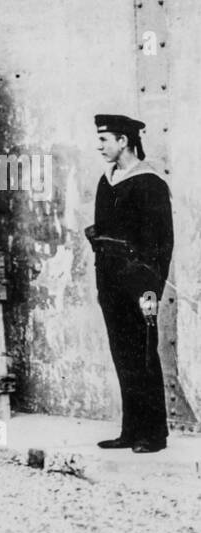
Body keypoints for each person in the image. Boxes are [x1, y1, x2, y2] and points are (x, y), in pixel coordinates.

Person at [87, 113, 173, 453]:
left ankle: (154, 435)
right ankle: (131, 430)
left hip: (142, 287)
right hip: (110, 284)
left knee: (144, 354)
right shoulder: (106, 180)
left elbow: (161, 245)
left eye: (105, 139)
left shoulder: (150, 183)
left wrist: (146, 284)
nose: (100, 145)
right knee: (123, 355)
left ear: (124, 141)